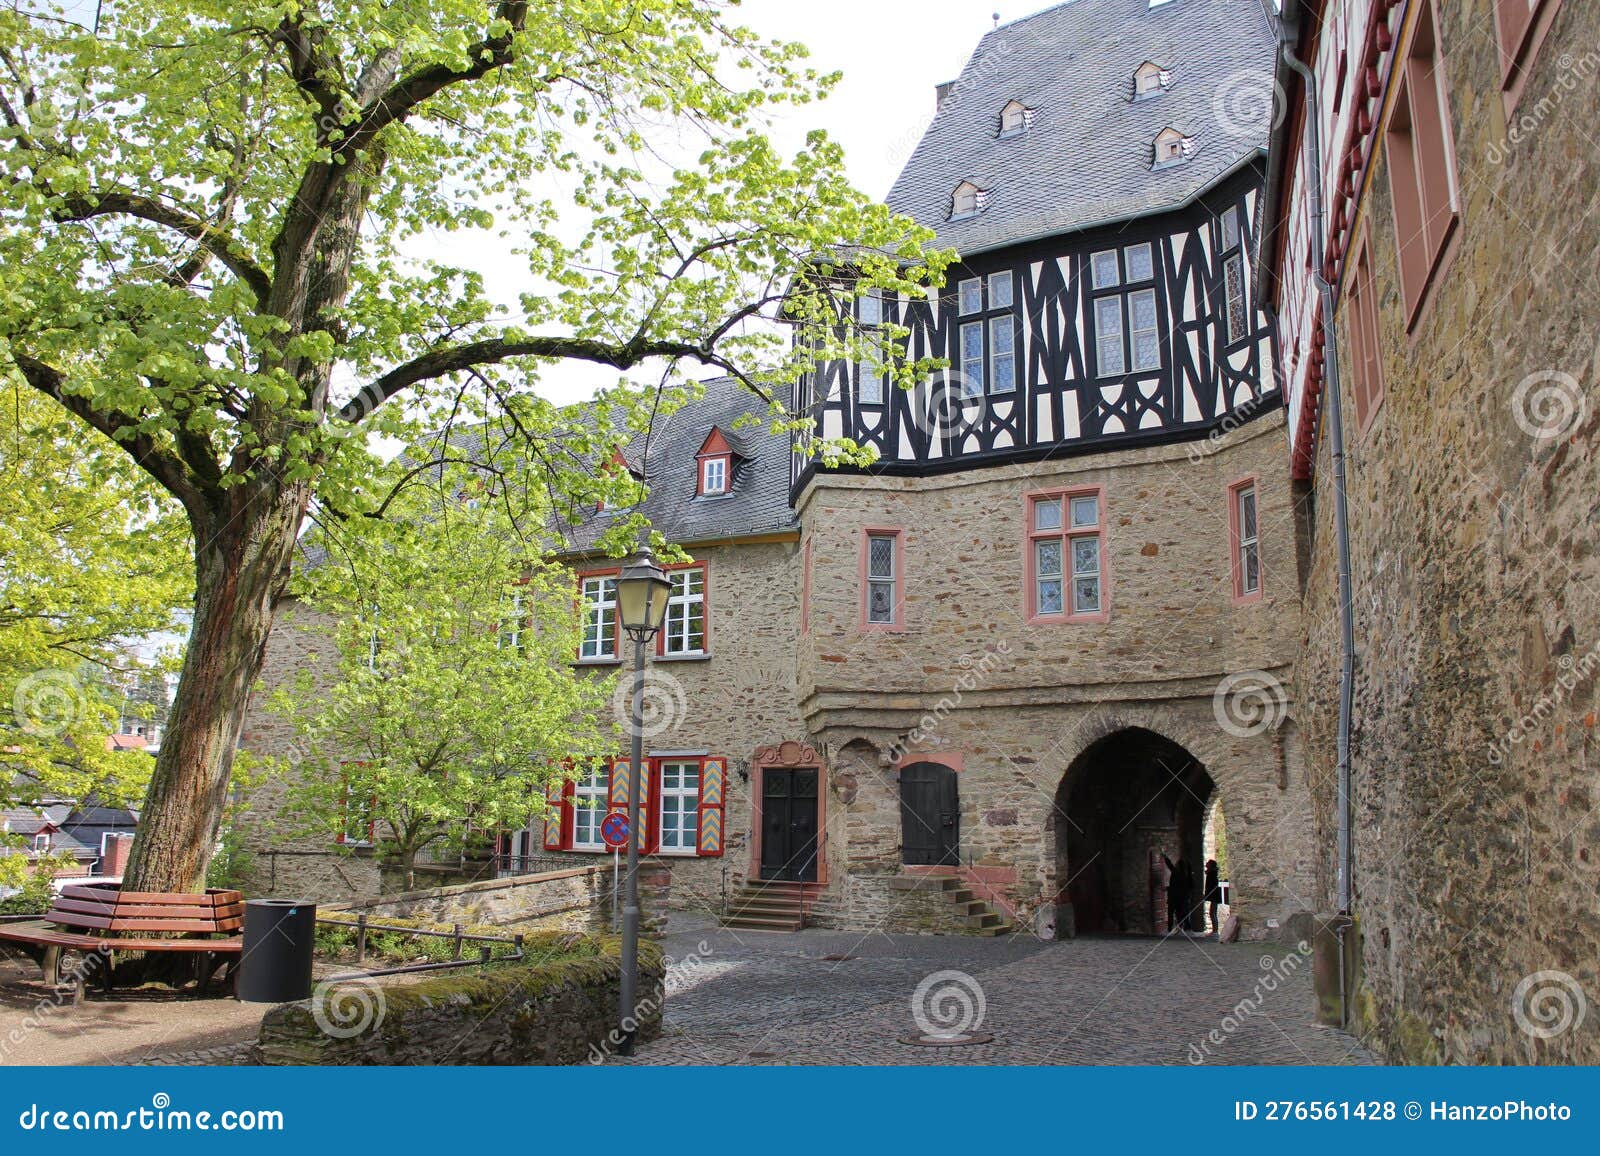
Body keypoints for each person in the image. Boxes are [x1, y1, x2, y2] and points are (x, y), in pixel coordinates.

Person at [1161, 853, 1192, 935]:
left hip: (1174, 897)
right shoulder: (1185, 875)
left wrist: (1165, 857)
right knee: (1179, 913)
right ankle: (1179, 928)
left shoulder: (1176, 873)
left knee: (1171, 913)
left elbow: (1170, 865)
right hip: (1180, 897)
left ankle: (1170, 929)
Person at [1205, 858, 1221, 935]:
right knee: (1212, 912)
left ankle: (1215, 931)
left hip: (1214, 896)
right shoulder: (1211, 873)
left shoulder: (1212, 874)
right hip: (1213, 896)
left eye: (1208, 863)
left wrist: (1207, 895)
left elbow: (1211, 886)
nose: (1206, 864)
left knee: (1212, 913)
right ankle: (1215, 930)